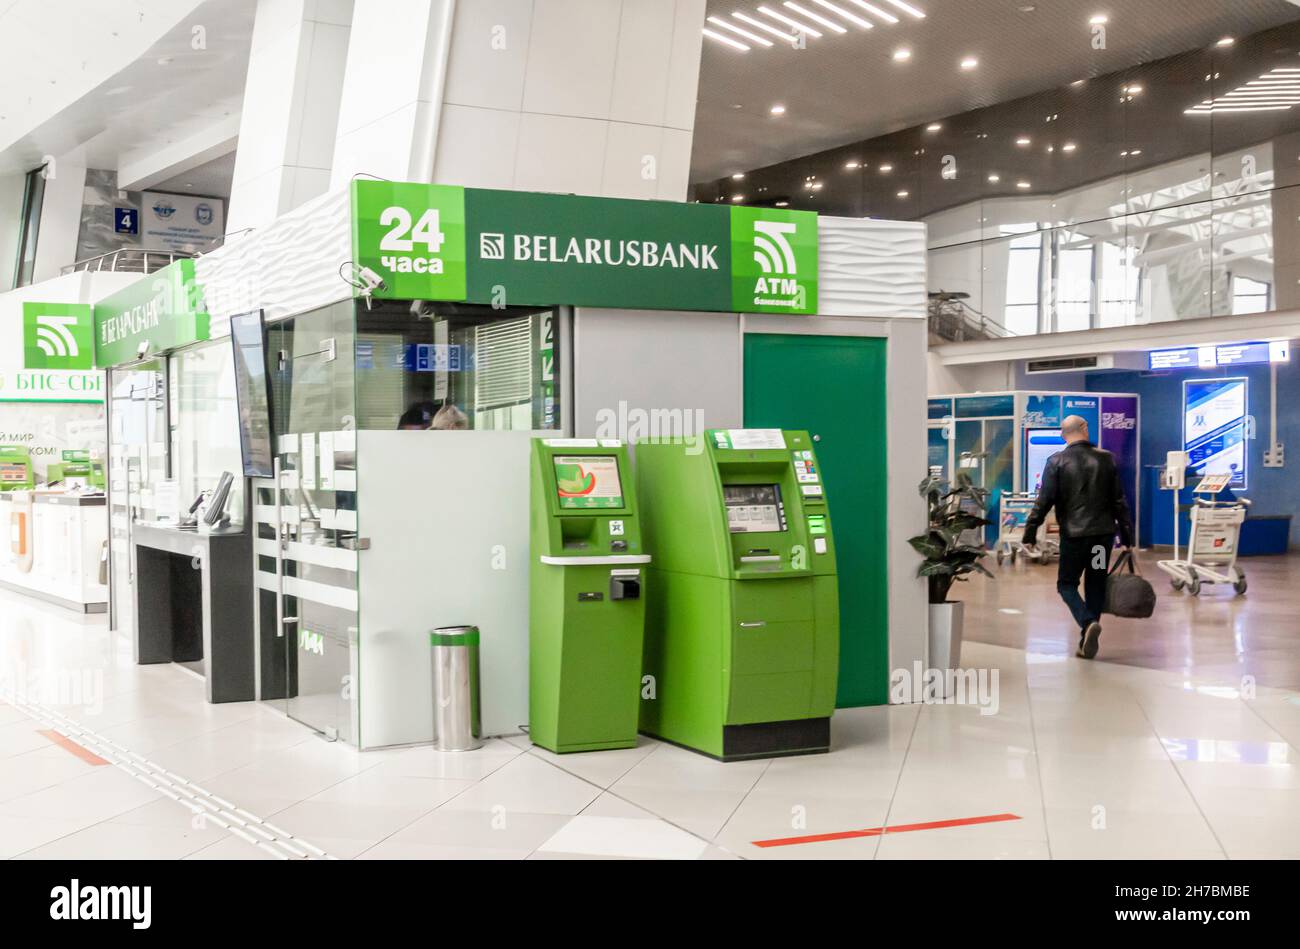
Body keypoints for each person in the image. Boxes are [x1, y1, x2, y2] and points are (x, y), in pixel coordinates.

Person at [1023, 415, 1134, 660]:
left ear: (1063, 435)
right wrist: (1127, 535)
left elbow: (1044, 501)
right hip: (1101, 538)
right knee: (1096, 584)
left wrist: (1030, 532)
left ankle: (1087, 623)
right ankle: (1088, 635)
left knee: (1066, 584)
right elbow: (1119, 501)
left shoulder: (1057, 461)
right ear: (1085, 429)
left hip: (1074, 537)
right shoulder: (1106, 459)